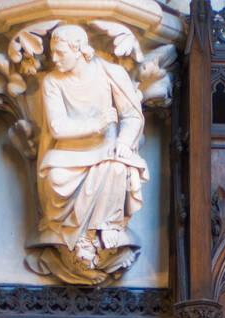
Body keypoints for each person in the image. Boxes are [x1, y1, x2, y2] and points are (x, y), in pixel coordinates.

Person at [27, 24, 150, 285]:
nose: (54, 58)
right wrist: (95, 124)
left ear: (80, 50)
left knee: (116, 168)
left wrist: (124, 142)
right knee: (57, 178)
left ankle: (104, 227)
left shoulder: (111, 72)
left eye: (60, 52)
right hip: (67, 153)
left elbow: (131, 115)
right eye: (52, 53)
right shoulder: (51, 81)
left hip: (107, 148)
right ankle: (80, 236)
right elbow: (58, 127)